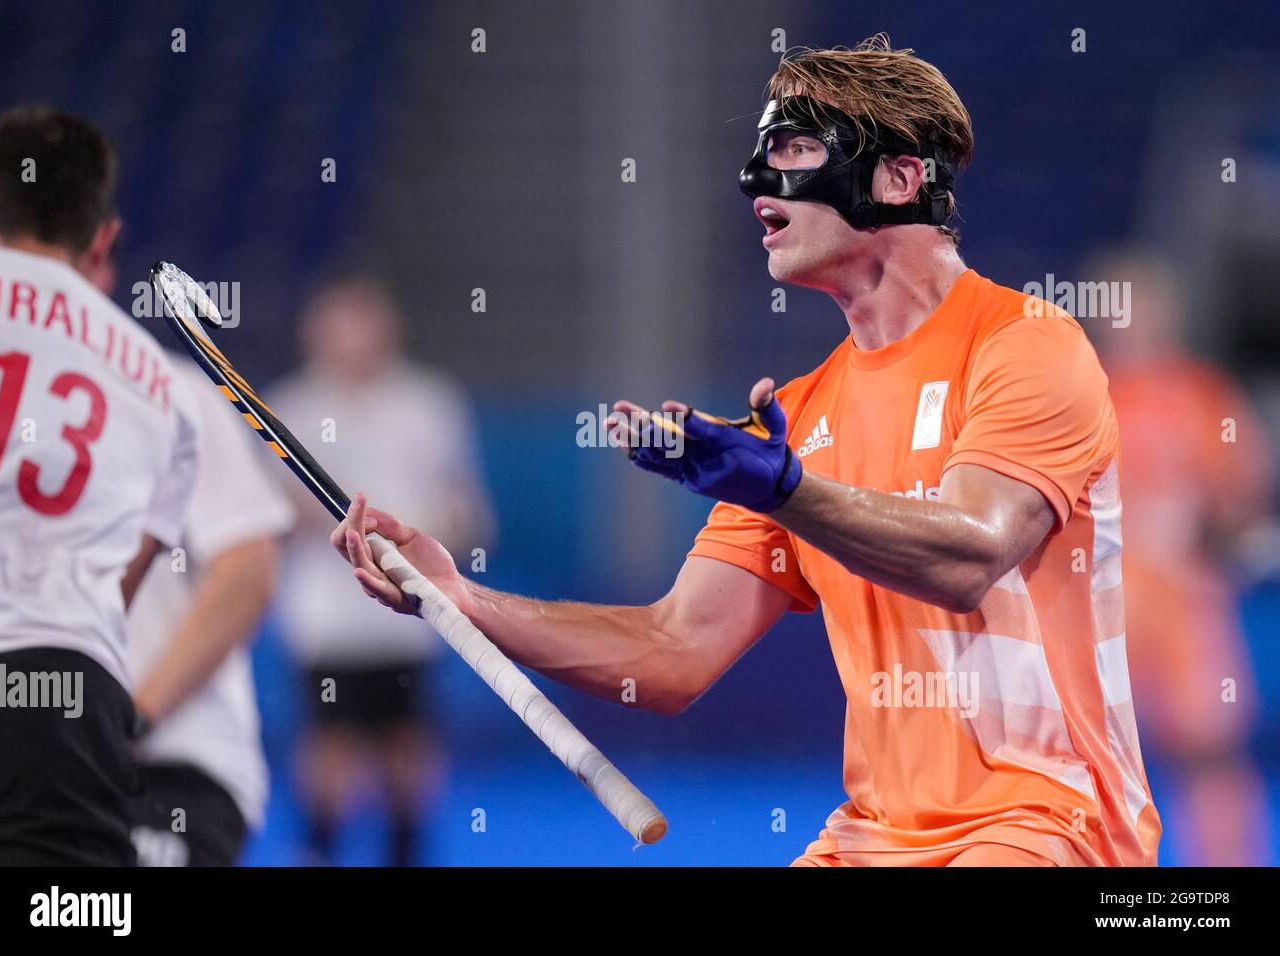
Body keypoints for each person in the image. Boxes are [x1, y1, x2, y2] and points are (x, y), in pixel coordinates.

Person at [332, 36, 1161, 866]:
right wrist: (462, 599)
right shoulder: (797, 419)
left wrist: (788, 494)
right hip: (871, 839)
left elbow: (970, 555)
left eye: (794, 150)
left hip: (1049, 826)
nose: (756, 182)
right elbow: (671, 651)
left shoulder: (1026, 343)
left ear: (899, 179)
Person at [0, 106, 199, 865]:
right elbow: (127, 583)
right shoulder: (166, 389)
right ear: (103, 237)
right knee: (67, 915)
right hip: (64, 691)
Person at [82, 244, 295, 866]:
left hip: (168, 768)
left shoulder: (167, 391)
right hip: (36, 765)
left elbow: (247, 572)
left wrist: (131, 720)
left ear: (97, 260)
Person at [269, 276, 493, 866]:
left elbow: (467, 507)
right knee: (330, 750)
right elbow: (271, 513)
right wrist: (342, 538)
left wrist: (427, 544)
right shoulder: (290, 409)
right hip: (327, 620)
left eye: (362, 322)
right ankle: (317, 851)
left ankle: (406, 854)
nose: (351, 339)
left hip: (408, 619)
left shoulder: (428, 404)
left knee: (407, 748)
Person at [1085, 248, 1272, 865]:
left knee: (1212, 755)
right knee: (1095, 762)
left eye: (1147, 303)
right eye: (1123, 305)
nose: (1136, 319)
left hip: (1189, 609)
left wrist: (1206, 527)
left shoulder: (1201, 395)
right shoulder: (1084, 394)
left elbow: (1245, 496)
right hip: (1105, 613)